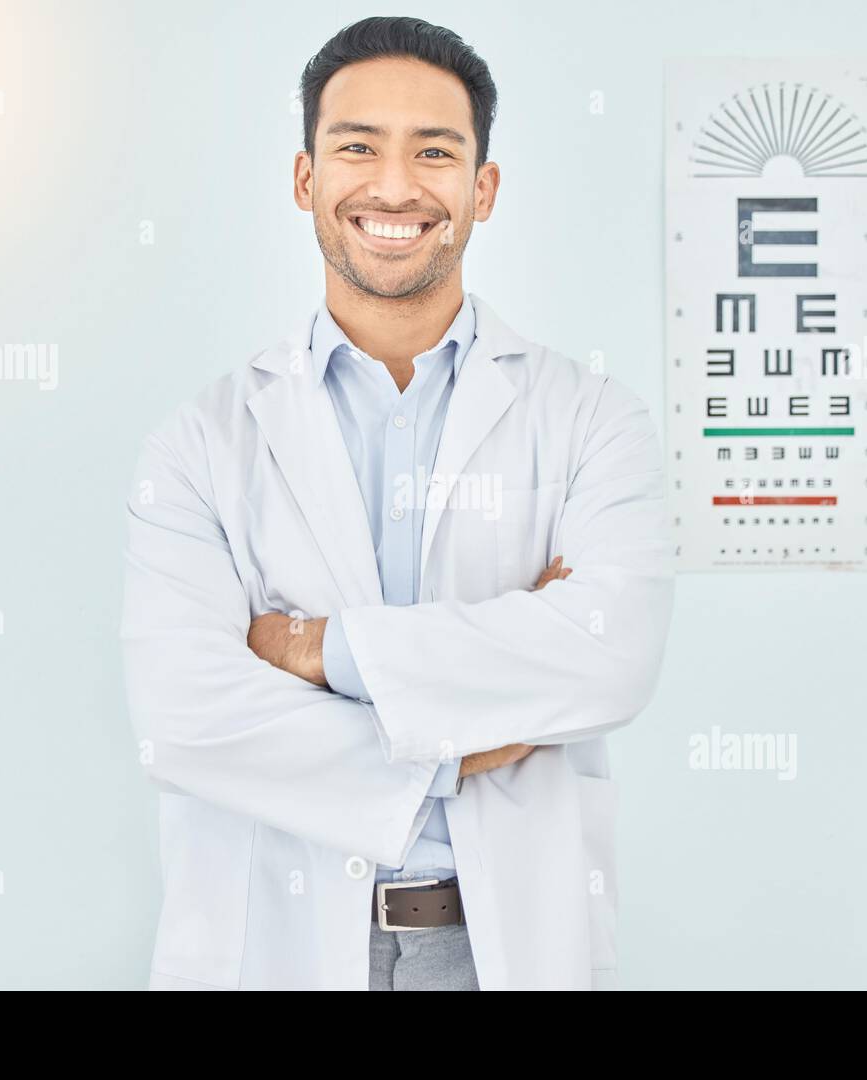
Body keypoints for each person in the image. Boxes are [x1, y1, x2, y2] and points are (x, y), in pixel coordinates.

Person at [120, 15, 673, 990]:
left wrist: (312, 651)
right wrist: (468, 741)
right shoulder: (205, 441)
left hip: (499, 948)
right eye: (356, 147)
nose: (392, 186)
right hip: (272, 949)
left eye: (434, 151)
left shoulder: (590, 419)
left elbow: (610, 654)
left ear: (481, 188)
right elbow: (187, 717)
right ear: (305, 180)